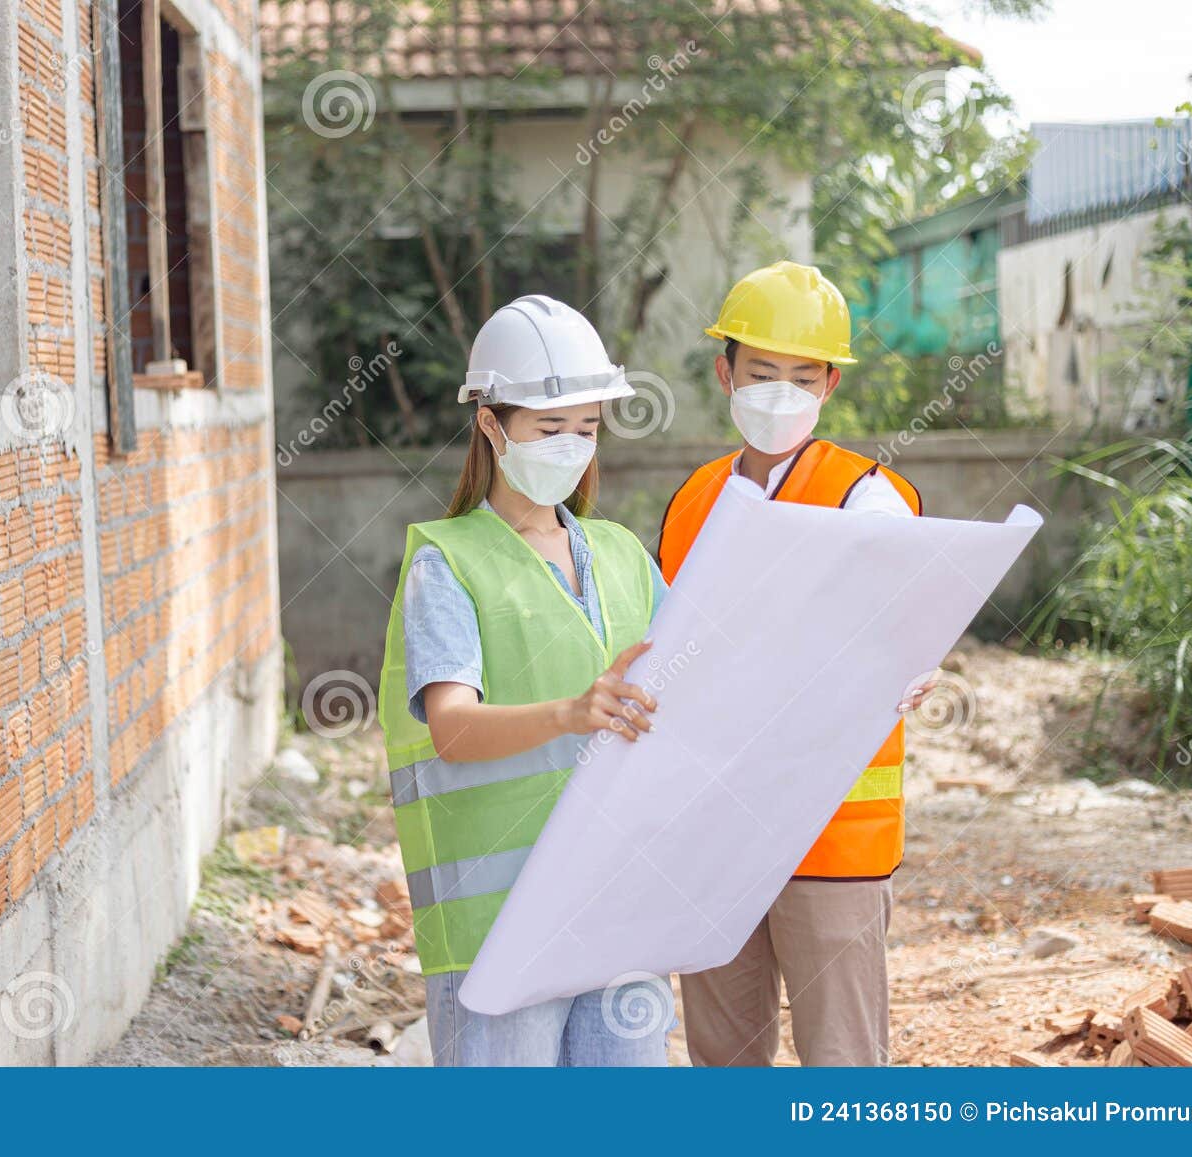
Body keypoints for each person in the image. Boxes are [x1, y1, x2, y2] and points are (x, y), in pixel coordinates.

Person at [376, 295, 675, 1066]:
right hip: (497, 929)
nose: (573, 445)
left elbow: (698, 688)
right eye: (550, 427)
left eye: (587, 427)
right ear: (490, 422)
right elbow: (451, 725)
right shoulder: (449, 561)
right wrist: (572, 712)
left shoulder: (621, 553)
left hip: (619, 907)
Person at [659, 260, 932, 1068]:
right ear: (725, 373)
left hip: (829, 842)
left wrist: (918, 660)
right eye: (762, 372)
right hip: (714, 836)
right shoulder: (693, 500)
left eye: (800, 375)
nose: (779, 391)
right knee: (724, 1062)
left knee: (841, 1067)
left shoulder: (866, 496)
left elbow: (911, 624)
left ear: (829, 385)